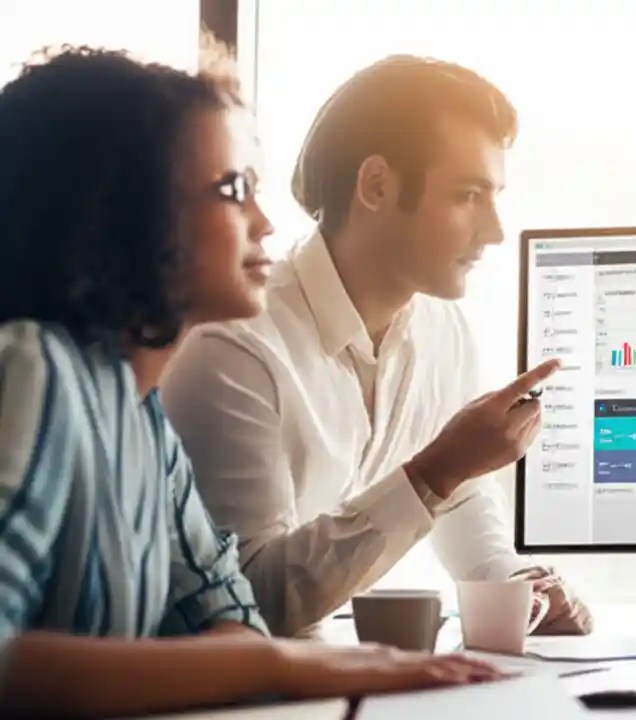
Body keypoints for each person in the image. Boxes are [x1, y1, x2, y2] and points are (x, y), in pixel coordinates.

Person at [0, 45, 504, 717]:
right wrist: (282, 663)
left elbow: (232, 613)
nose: (265, 223)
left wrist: (305, 662)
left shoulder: (139, 416)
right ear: (119, 212)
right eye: (233, 190)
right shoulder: (36, 371)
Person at [161, 55, 592, 637]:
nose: (493, 231)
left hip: (315, 671)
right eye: (468, 195)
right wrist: (436, 471)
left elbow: (459, 497)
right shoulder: (235, 345)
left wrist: (513, 583)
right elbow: (247, 600)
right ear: (377, 186)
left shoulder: (443, 328)